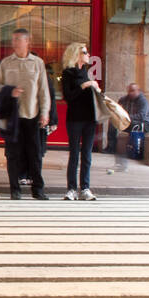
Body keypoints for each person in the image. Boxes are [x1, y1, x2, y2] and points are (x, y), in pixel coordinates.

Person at [0, 28, 51, 199]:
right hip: (12, 116)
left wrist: (45, 112)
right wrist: (10, 91)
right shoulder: (6, 63)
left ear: (27, 41)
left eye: (18, 39)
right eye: (13, 39)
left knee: (35, 154)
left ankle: (38, 190)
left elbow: (43, 90)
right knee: (13, 154)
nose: (14, 43)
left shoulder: (37, 63)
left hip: (32, 114)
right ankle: (15, 190)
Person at [59, 43, 100, 201]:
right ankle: (71, 189)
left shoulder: (86, 72)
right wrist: (84, 85)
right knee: (74, 154)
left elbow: (90, 96)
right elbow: (68, 96)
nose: (88, 54)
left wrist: (96, 89)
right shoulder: (68, 73)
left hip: (90, 118)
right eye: (85, 52)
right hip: (75, 118)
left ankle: (85, 188)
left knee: (87, 154)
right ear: (76, 54)